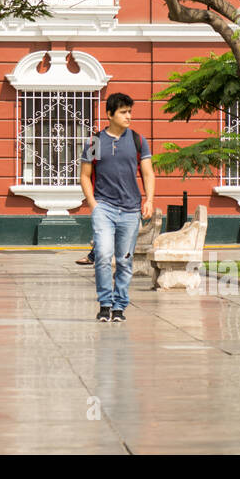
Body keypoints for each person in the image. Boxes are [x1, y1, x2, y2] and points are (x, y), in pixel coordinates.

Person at [79, 92, 155, 322]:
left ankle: (119, 306)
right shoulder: (95, 142)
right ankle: (105, 303)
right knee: (102, 254)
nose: (128, 116)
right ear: (109, 114)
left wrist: (149, 199)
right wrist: (93, 204)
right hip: (104, 207)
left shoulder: (138, 140)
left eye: (130, 111)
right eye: (123, 112)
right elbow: (84, 175)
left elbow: (147, 172)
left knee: (123, 259)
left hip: (131, 210)